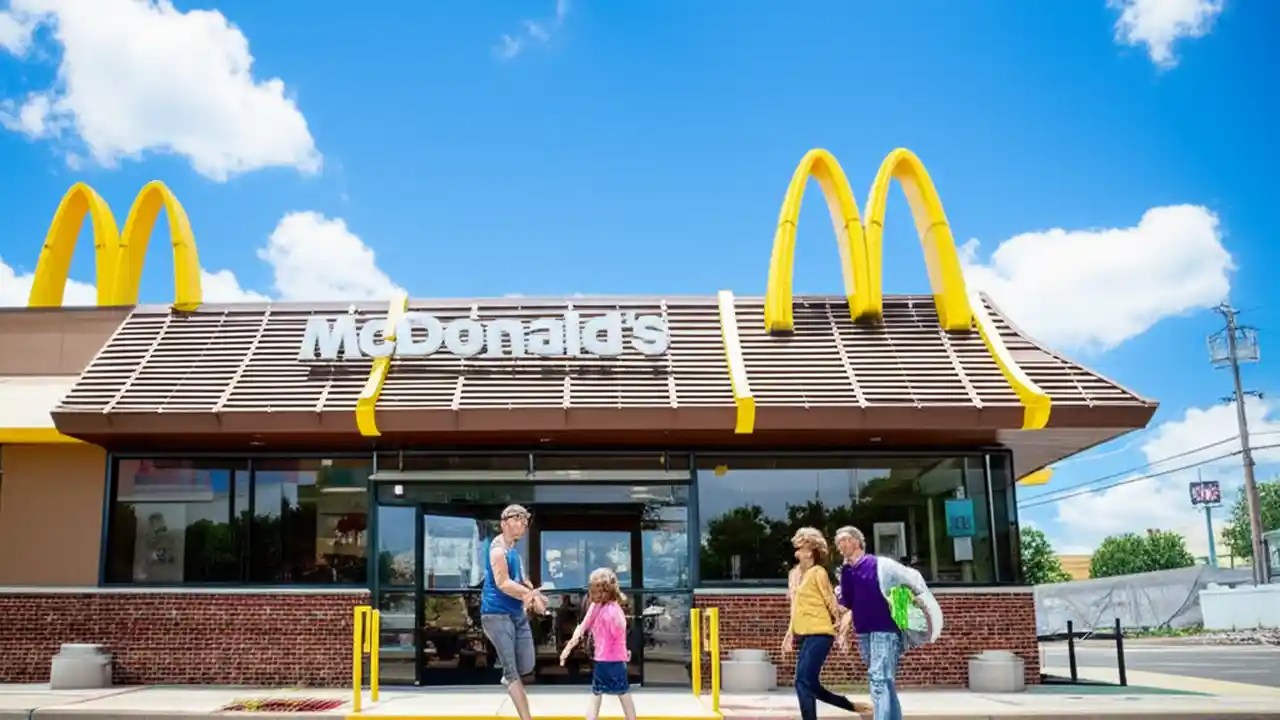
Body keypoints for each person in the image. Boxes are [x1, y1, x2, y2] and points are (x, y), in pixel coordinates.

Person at [833, 525, 937, 720]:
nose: (842, 545)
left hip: (885, 630)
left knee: (878, 679)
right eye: (839, 543)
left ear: (857, 542)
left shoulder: (880, 565)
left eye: (845, 540)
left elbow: (912, 577)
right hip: (863, 631)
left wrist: (919, 602)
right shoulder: (846, 572)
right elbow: (847, 603)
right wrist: (839, 604)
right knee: (884, 681)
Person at [781, 527, 857, 720]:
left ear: (811, 550)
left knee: (802, 682)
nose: (797, 551)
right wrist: (789, 634)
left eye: (801, 547)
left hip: (821, 634)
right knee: (809, 684)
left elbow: (830, 600)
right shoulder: (794, 574)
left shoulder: (818, 572)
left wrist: (841, 624)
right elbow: (794, 607)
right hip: (804, 634)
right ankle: (854, 707)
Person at [481, 504, 547, 720]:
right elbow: (503, 583)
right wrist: (529, 595)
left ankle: (509, 676)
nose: (522, 525)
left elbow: (522, 580)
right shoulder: (497, 550)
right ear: (504, 523)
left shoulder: (515, 554)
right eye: (517, 520)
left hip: (516, 614)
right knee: (513, 673)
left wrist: (534, 595)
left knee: (527, 664)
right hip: (496, 615)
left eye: (525, 522)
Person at [559, 567, 636, 720]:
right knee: (623, 693)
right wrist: (626, 653)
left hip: (601, 660)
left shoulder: (596, 607)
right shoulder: (615, 611)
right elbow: (620, 635)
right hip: (615, 660)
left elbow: (583, 626)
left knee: (596, 693)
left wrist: (568, 648)